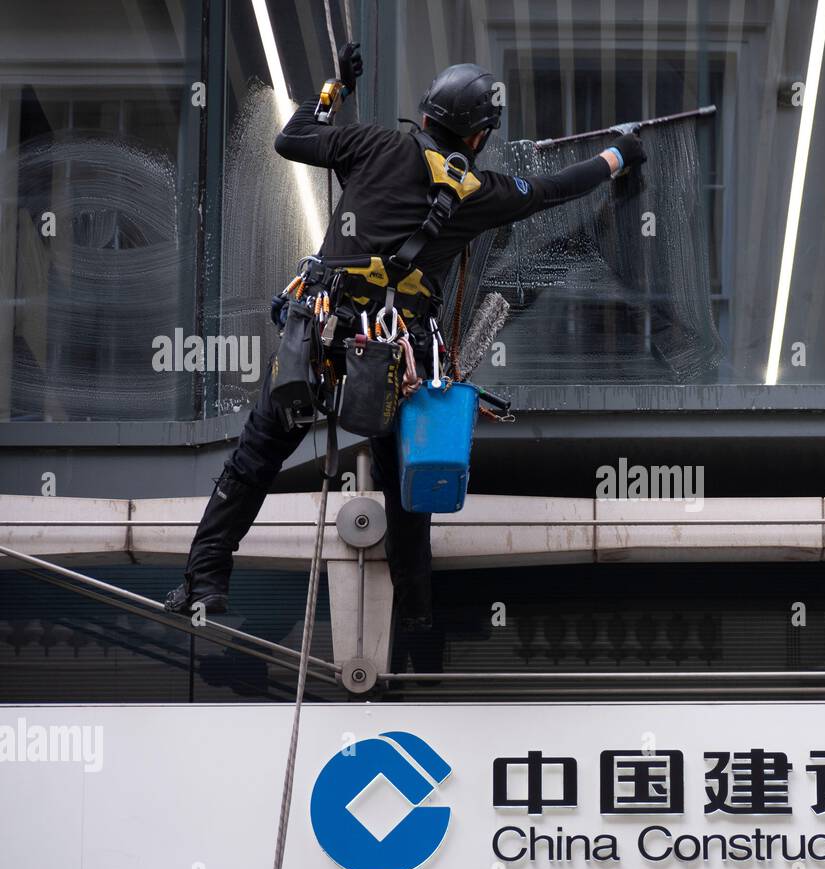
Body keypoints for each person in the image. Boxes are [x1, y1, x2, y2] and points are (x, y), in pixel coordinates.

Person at [165, 46, 645, 629]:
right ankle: (418, 618)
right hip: (398, 361)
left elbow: (292, 140)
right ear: (475, 137)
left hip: (317, 340)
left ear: (426, 116)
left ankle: (204, 583)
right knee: (408, 489)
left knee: (252, 463)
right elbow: (555, 189)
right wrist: (620, 152)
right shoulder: (478, 192)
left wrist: (334, 89)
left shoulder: (370, 145)